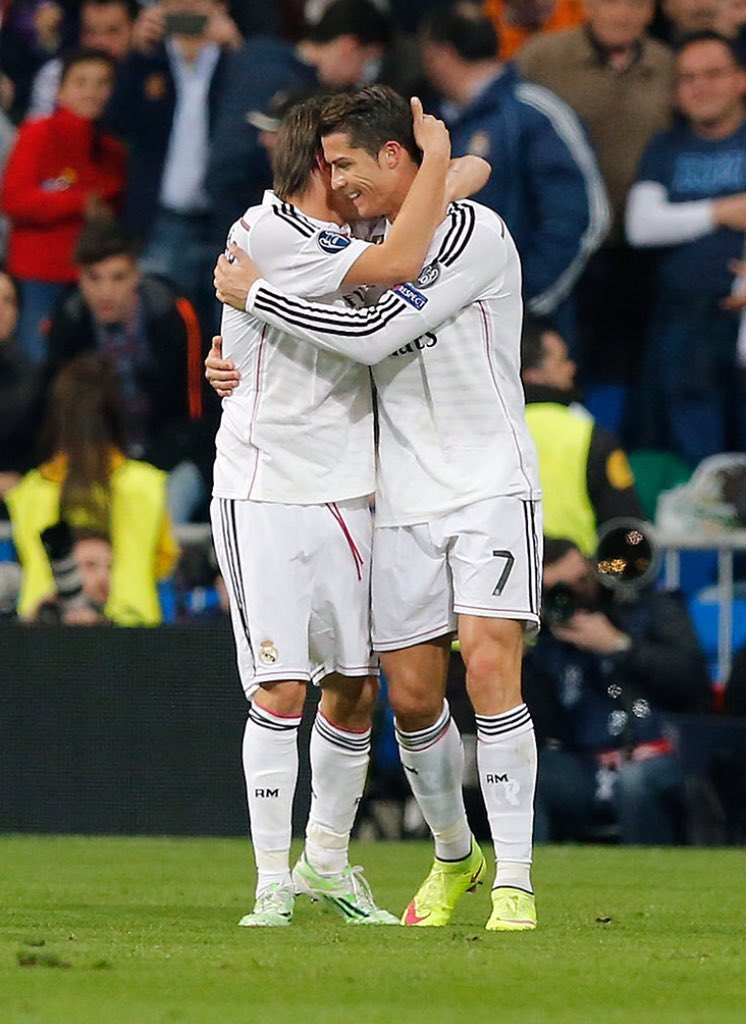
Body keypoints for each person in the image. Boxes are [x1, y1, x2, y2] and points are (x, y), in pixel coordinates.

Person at [212, 85, 543, 932]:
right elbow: (438, 188)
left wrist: (255, 300)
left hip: (487, 482)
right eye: (333, 169)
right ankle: (452, 857)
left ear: (394, 157)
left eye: (351, 164)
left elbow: (366, 334)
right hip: (395, 494)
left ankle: (515, 883)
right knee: (410, 697)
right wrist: (234, 348)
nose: (341, 181)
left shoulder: (475, 234)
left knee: (488, 663)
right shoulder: (354, 237)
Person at [516, 0, 676, 424]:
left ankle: (626, 454)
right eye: (610, 1)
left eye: (636, 4)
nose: (622, 13)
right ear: (585, 6)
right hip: (570, 245)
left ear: (651, 12)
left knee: (646, 361)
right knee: (573, 356)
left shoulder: (667, 64)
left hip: (650, 244)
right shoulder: (542, 58)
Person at [417, 2, 609, 339]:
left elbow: (583, 219)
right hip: (447, 328)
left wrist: (525, 299)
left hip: (531, 332)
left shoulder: (532, 113)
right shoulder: (428, 121)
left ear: (439, 53)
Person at [524, 538, 712, 844]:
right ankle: (529, 881)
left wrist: (619, 646)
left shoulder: (648, 610)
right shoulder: (546, 645)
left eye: (584, 579)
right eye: (562, 590)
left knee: (634, 783)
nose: (580, 592)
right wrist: (525, 651)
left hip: (657, 754)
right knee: (527, 776)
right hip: (583, 765)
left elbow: (693, 681)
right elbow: (538, 726)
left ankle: (655, 878)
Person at [625, 31, 746, 463]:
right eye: (688, 77)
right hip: (685, 320)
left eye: (713, 74)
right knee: (695, 457)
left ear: (740, 79)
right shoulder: (666, 147)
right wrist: (722, 211)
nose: (700, 86)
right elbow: (641, 226)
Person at [44, 218, 214, 522]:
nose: (105, 292)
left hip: (175, 459)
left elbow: (200, 413)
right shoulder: (68, 322)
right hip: (96, 459)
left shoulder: (175, 316)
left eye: (117, 277)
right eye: (94, 279)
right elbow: (61, 412)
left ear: (136, 275)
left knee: (163, 518)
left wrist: (145, 466)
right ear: (79, 278)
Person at [101, 0, 242, 335]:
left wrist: (239, 51)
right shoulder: (150, 59)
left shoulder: (234, 59)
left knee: (227, 331)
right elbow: (115, 123)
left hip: (227, 223)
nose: (187, 7)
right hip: (164, 222)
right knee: (157, 326)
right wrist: (137, 54)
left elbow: (254, 132)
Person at [6, 352, 178, 625]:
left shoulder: (28, 493)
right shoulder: (147, 486)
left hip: (42, 648)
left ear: (57, 417)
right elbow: (163, 563)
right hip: (136, 647)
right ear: (117, 414)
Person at [206, 0, 393, 238]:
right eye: (366, 62)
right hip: (242, 222)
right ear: (348, 47)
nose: (360, 76)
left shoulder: (254, 51)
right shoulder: (292, 87)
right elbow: (231, 168)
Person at [0, 46, 126, 364]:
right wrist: (79, 202)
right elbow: (13, 200)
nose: (92, 92)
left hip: (92, 280)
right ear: (60, 89)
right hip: (38, 278)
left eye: (102, 83)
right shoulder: (38, 133)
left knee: (89, 369)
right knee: (34, 366)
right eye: (81, 82)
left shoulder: (113, 150)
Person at [521, 317, 643, 555]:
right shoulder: (590, 434)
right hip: (579, 579)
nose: (572, 367)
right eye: (562, 361)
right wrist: (605, 581)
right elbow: (627, 529)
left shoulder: (486, 431)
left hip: (502, 579)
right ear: (532, 375)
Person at [26, 0, 137, 119]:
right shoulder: (56, 73)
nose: (100, 43)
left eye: (112, 31)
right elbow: (38, 127)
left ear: (134, 29)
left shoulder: (148, 71)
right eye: (90, 32)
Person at [0, 270, 39, 503]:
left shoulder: (34, 378)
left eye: (8, 302)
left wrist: (21, 477)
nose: (1, 311)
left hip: (17, 494)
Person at [34, 526, 113, 624]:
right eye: (90, 565)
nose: (103, 576)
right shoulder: (46, 616)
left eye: (110, 567)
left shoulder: (122, 619)